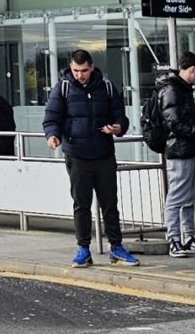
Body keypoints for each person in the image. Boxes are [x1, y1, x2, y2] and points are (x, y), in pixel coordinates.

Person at [41, 50, 137, 268]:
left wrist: (118, 127)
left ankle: (116, 247)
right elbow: (51, 117)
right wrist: (52, 135)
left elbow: (120, 115)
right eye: (76, 70)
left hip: (104, 153)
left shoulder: (107, 87)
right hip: (76, 154)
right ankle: (83, 248)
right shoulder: (63, 88)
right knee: (81, 204)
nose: (80, 75)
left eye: (84, 71)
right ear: (70, 68)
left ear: (91, 67)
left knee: (110, 203)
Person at [149, 53, 195, 257]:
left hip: (189, 148)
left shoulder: (180, 89)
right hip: (179, 149)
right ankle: (174, 238)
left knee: (189, 196)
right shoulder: (172, 90)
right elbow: (175, 123)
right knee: (177, 196)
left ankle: (189, 236)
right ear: (192, 70)